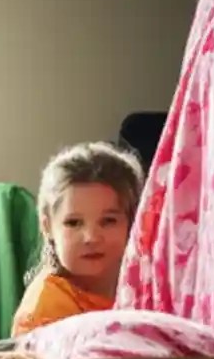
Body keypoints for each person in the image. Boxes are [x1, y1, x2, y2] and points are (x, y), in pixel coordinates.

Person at [11, 141, 144, 337]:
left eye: (108, 221)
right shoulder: (44, 311)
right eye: (73, 223)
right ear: (47, 227)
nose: (91, 238)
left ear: (133, 222)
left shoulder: (144, 288)